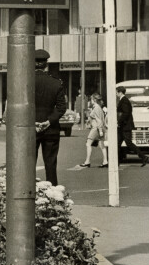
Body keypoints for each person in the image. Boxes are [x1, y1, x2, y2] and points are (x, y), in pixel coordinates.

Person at [33, 49, 69, 186]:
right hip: (51, 129)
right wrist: (49, 121)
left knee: (29, 162)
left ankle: (29, 190)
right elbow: (61, 107)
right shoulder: (56, 83)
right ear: (46, 64)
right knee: (51, 162)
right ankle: (53, 193)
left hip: (30, 128)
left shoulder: (25, 82)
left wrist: (33, 122)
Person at [115, 86, 149, 167]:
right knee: (117, 143)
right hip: (123, 126)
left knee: (128, 143)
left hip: (125, 126)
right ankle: (116, 161)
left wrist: (118, 121)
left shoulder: (124, 101)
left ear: (120, 92)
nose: (116, 94)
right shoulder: (123, 100)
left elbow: (126, 113)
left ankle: (143, 156)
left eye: (117, 92)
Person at [77, 92, 108, 168]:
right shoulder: (98, 107)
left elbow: (99, 120)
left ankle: (87, 161)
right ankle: (105, 161)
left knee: (88, 143)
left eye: (91, 99)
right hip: (99, 128)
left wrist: (100, 130)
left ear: (94, 100)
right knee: (102, 145)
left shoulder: (96, 108)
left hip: (96, 129)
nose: (90, 101)